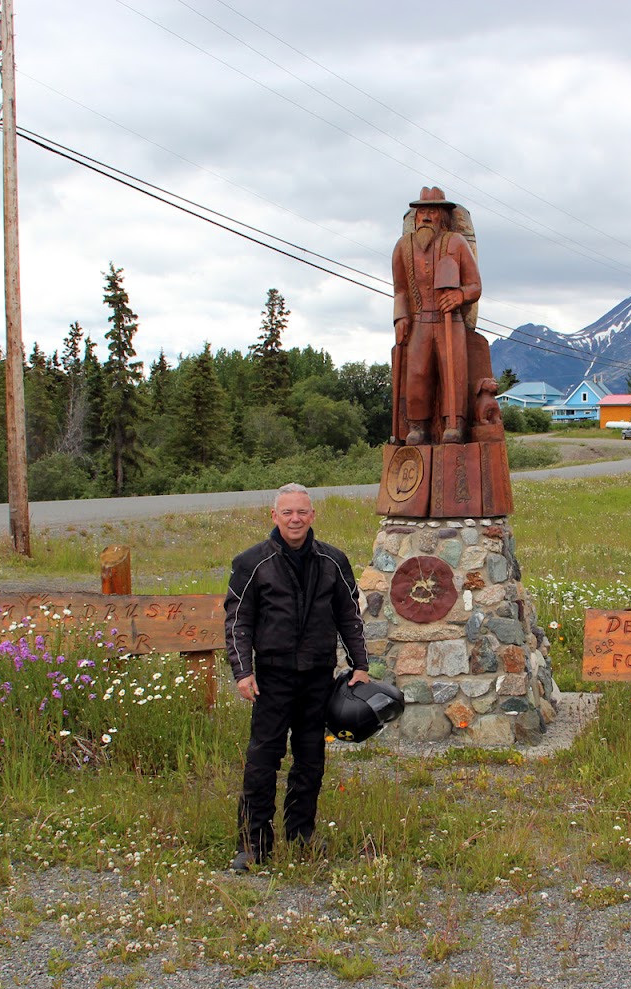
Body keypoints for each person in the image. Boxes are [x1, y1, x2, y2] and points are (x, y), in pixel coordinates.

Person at [223, 483, 369, 871]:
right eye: (287, 512)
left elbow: (349, 616)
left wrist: (361, 665)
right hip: (272, 678)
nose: (295, 519)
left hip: (318, 675)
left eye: (302, 512)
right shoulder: (251, 562)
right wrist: (243, 672)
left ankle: (302, 833)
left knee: (311, 758)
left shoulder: (333, 560)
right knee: (262, 759)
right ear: (274, 516)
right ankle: (253, 844)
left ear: (312, 516)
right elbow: (238, 621)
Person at [392, 186, 483, 445]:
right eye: (421, 212)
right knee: (417, 373)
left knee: (452, 370)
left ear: (443, 215)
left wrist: (460, 295)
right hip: (420, 320)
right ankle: (417, 426)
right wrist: (401, 318)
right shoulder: (403, 247)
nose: (426, 217)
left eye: (432, 211)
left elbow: (475, 285)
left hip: (449, 321)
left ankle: (454, 423)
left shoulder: (456, 243)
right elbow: (400, 290)